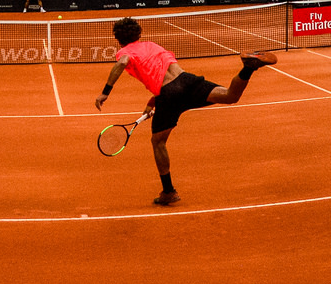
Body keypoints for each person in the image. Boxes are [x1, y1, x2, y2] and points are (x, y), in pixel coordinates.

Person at [94, 16, 278, 207]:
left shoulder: (124, 52)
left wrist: (105, 92)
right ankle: (247, 69)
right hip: (186, 81)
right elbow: (163, 75)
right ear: (139, 33)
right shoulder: (152, 46)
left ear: (118, 38)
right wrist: (152, 103)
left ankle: (168, 192)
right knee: (230, 96)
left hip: (168, 94)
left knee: (158, 141)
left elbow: (123, 62)